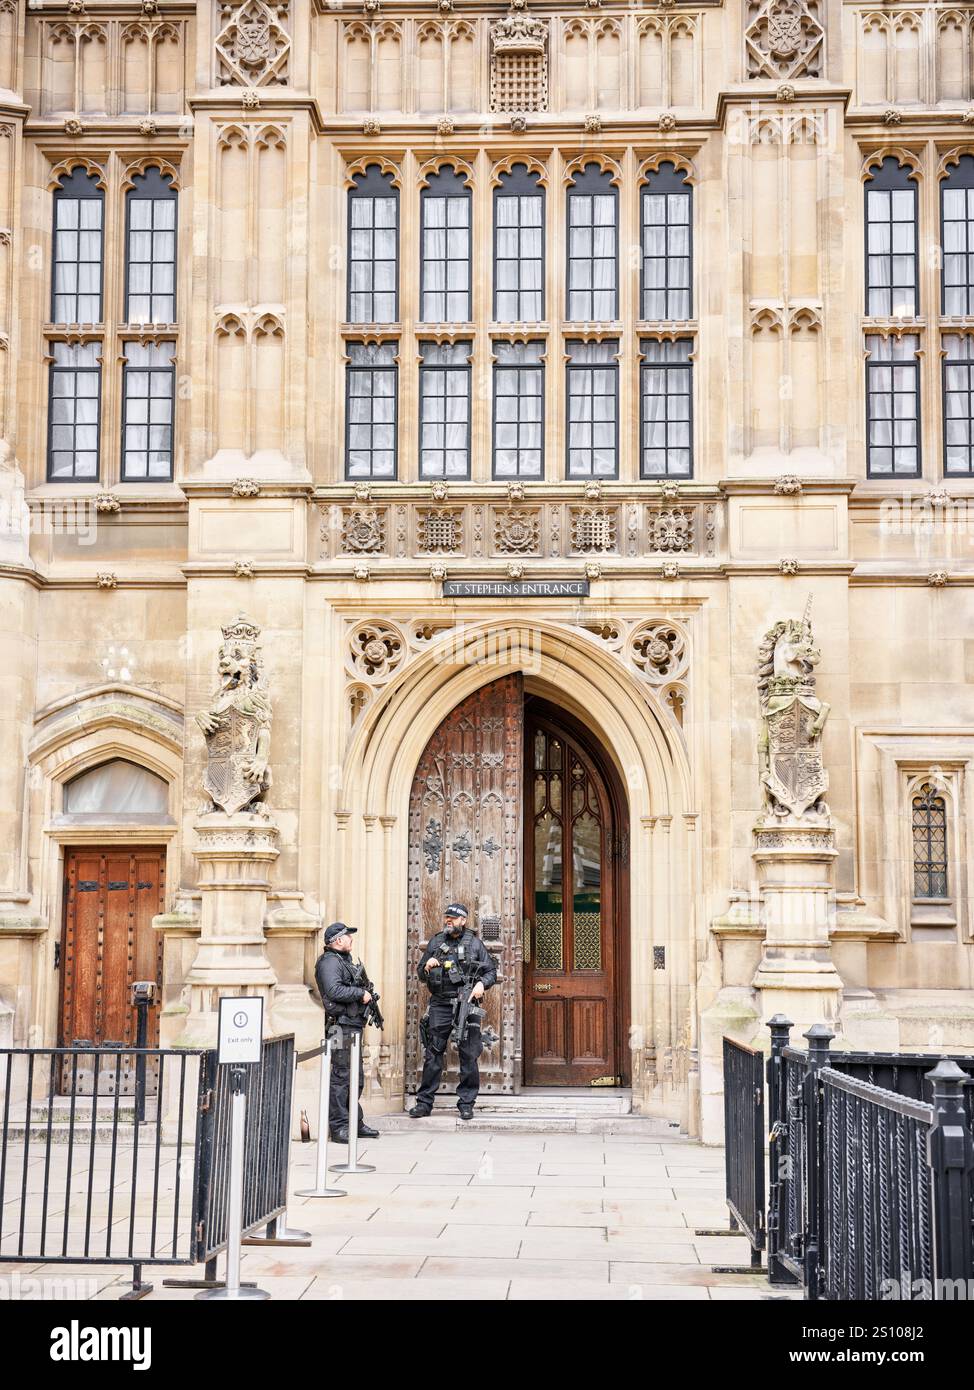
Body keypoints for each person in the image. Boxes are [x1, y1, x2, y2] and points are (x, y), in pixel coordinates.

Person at [410, 902, 497, 1121]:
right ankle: (424, 1103)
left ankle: (466, 1103)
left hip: (466, 1004)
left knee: (468, 1055)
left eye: (453, 918)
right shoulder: (436, 941)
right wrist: (426, 966)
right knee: (433, 1054)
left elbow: (491, 972)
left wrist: (481, 985)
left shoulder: (475, 944)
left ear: (463, 920)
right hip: (440, 1004)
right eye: (447, 917)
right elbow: (420, 974)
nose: (448, 921)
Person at [314, 922, 381, 1143]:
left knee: (355, 1078)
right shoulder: (329, 962)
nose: (351, 939)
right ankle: (340, 1126)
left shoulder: (343, 960)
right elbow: (333, 990)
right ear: (338, 940)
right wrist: (359, 993)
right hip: (340, 1026)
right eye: (348, 936)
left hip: (351, 1025)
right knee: (342, 1076)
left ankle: (354, 1121)